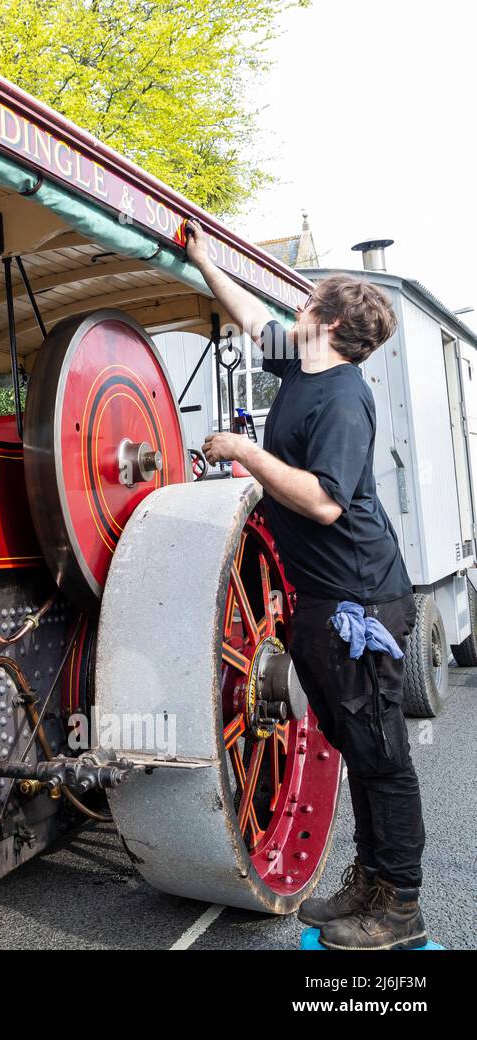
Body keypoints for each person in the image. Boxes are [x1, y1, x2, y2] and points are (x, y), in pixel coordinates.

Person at [183, 218, 428, 950]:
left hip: (363, 602)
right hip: (325, 600)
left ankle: (400, 906)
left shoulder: (343, 399)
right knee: (356, 746)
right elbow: (254, 320)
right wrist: (202, 261)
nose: (295, 308)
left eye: (308, 303)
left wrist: (245, 453)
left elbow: (323, 498)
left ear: (327, 321)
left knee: (381, 755)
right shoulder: (302, 366)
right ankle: (369, 881)